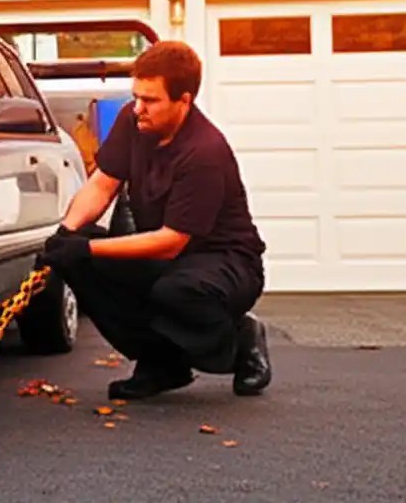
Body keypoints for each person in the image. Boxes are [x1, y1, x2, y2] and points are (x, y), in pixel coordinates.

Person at [40, 40, 272, 400]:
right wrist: (66, 235)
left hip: (226, 262)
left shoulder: (204, 151)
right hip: (169, 257)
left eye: (150, 100)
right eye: (136, 96)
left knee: (175, 291)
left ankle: (241, 342)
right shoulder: (133, 123)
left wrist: (88, 248)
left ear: (184, 101)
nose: (138, 108)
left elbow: (171, 242)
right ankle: (161, 364)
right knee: (78, 259)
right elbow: (102, 185)